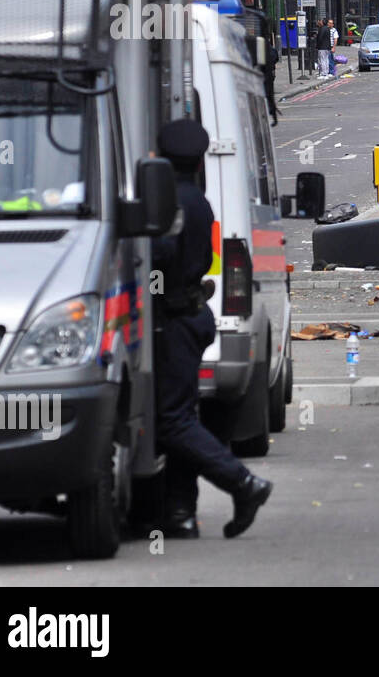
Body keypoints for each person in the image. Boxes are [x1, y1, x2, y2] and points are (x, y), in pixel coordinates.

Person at [153, 119, 273, 539]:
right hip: (192, 314)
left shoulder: (170, 204)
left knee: (172, 421)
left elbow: (161, 256)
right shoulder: (197, 200)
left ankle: (243, 484)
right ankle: (180, 513)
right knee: (181, 416)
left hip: (176, 320)